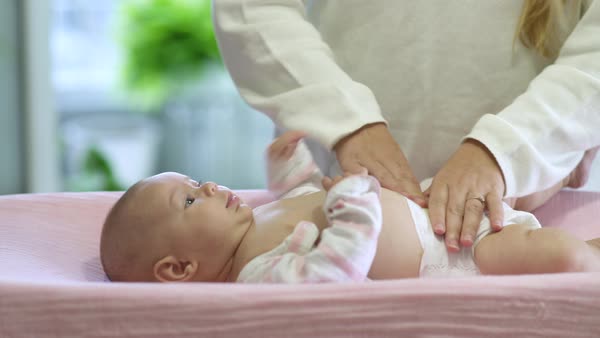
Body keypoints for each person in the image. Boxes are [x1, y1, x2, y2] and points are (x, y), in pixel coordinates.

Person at [212, 0, 600, 252]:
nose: (208, 187)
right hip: (334, 170)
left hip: (521, 202)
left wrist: (518, 148)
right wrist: (344, 122)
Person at [100, 131, 600, 283]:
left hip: (435, 208)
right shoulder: (255, 276)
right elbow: (336, 268)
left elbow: (310, 196)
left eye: (196, 182)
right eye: (189, 199)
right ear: (180, 267)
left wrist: (289, 171)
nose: (208, 186)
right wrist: (356, 200)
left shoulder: (258, 222)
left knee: (532, 216)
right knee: (562, 258)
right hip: (456, 254)